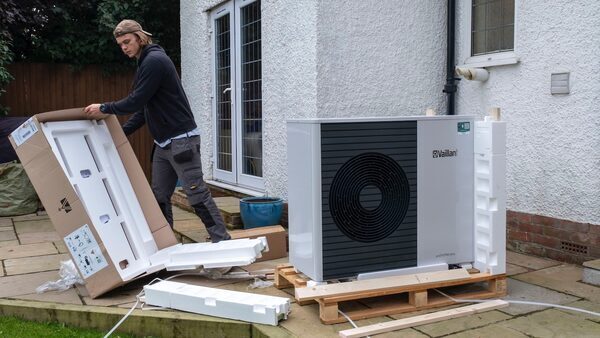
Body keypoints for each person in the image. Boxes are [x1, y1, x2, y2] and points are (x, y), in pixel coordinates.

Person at [84, 19, 230, 243]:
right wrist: (120, 134)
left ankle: (222, 241)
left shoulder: (155, 61)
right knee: (159, 196)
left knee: (196, 195)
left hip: (182, 142)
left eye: (127, 41)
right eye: (120, 44)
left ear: (140, 37)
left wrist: (104, 108)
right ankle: (166, 242)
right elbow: (144, 109)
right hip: (163, 144)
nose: (124, 47)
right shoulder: (144, 64)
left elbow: (134, 102)